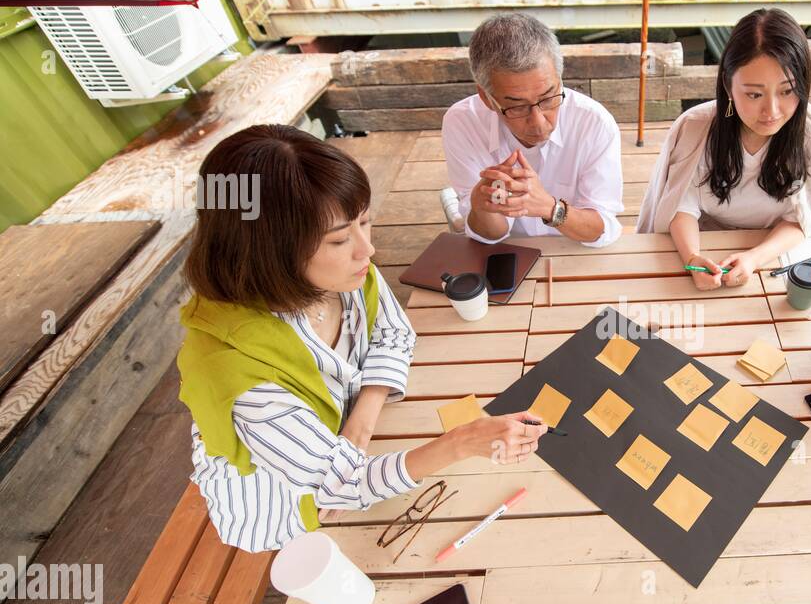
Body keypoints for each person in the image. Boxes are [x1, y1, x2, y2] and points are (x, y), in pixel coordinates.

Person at [176, 124, 543, 552]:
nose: (366, 249)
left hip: (353, 449)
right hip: (284, 506)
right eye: (339, 239)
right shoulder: (235, 372)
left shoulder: (339, 274)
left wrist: (361, 422)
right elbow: (346, 484)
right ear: (268, 251)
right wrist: (461, 441)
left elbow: (394, 330)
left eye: (365, 222)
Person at [637, 8, 811, 291]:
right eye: (754, 94)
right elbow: (681, 205)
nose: (771, 111)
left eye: (787, 91)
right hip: (704, 245)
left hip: (778, 257)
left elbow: (804, 218)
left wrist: (754, 258)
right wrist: (692, 257)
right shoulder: (694, 128)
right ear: (728, 85)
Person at [442, 12, 623, 248]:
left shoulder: (593, 122)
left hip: (574, 247)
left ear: (559, 79)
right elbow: (491, 236)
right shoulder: (463, 123)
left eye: (548, 98)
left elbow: (602, 229)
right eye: (517, 106)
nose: (538, 122)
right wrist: (481, 204)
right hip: (507, 252)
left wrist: (550, 208)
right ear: (487, 99)